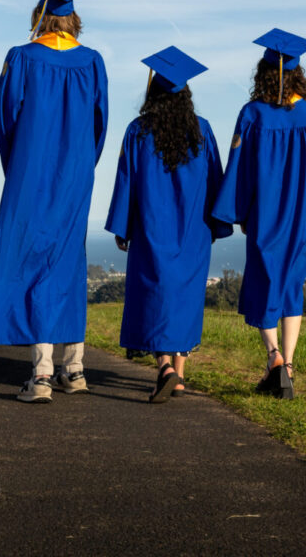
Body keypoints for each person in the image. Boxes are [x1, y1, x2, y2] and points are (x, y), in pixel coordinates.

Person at [0, 0, 109, 403]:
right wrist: (79, 166)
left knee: (33, 260)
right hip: (74, 176)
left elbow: (3, 123)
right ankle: (74, 369)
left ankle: (40, 375)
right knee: (68, 261)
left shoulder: (21, 57)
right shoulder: (92, 61)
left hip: (30, 175)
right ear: (74, 19)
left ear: (40, 15)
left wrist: (19, 160)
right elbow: (99, 126)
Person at [105, 46, 227, 403]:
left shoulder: (138, 132)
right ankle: (181, 372)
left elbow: (126, 181)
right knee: (185, 296)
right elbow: (216, 182)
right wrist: (215, 226)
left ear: (152, 93)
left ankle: (164, 367)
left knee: (154, 293)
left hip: (151, 229)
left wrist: (123, 226)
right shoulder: (202, 131)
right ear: (186, 93)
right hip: (192, 232)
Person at [211, 29, 306, 400]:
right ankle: (289, 365)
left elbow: (239, 167)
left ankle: (273, 359)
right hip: (298, 217)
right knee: (292, 285)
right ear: (298, 73)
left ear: (263, 72)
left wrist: (236, 210)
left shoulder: (252, 114)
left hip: (265, 215)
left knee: (263, 283)